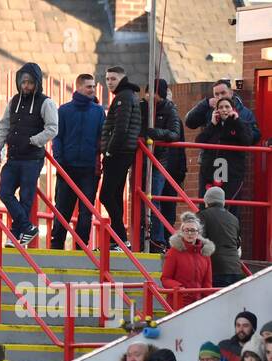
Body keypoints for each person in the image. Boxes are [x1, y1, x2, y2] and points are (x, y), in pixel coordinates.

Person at [0, 63, 58, 248]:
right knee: (4, 192)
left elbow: (52, 128)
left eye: (30, 82)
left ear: (37, 83)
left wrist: (33, 140)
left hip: (32, 158)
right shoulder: (14, 101)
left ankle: (16, 234)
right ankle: (27, 227)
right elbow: (4, 126)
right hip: (13, 157)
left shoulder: (46, 102)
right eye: (23, 82)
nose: (26, 86)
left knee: (26, 197)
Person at [51, 74, 105, 251]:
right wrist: (60, 161)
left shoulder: (98, 111)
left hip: (89, 170)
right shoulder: (64, 110)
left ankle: (81, 248)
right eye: (89, 87)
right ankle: (56, 246)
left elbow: (101, 138)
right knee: (62, 210)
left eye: (93, 87)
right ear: (79, 87)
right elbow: (57, 137)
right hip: (67, 168)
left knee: (86, 212)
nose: (92, 90)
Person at [98, 67, 142, 249]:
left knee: (106, 196)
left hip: (118, 153)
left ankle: (120, 239)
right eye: (107, 79)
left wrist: (109, 151)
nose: (109, 82)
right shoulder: (128, 96)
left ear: (122, 78)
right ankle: (118, 240)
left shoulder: (123, 97)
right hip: (124, 152)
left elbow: (121, 128)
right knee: (114, 195)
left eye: (113, 78)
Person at [143, 78, 186, 251]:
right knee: (151, 201)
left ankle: (160, 240)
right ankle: (151, 238)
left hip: (164, 164)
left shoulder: (170, 111)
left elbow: (175, 136)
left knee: (162, 204)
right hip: (151, 162)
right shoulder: (144, 109)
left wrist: (154, 133)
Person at [196, 95, 257, 204]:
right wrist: (212, 125)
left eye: (227, 107)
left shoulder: (241, 124)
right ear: (216, 110)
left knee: (230, 205)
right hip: (210, 172)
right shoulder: (213, 126)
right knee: (205, 205)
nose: (224, 109)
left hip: (231, 173)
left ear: (233, 109)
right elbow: (199, 142)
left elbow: (247, 140)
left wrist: (237, 121)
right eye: (221, 107)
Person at [161, 213, 215, 309]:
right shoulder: (173, 252)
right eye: (186, 230)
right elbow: (165, 279)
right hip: (178, 302)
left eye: (193, 230)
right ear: (181, 232)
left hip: (198, 304)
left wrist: (208, 302)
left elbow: (207, 283)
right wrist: (180, 288)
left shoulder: (205, 253)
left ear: (198, 233)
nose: (190, 233)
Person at [199, 187, 243, 289]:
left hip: (216, 268)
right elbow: (237, 243)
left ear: (207, 201)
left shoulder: (202, 216)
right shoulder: (234, 218)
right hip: (235, 268)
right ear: (223, 201)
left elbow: (199, 242)